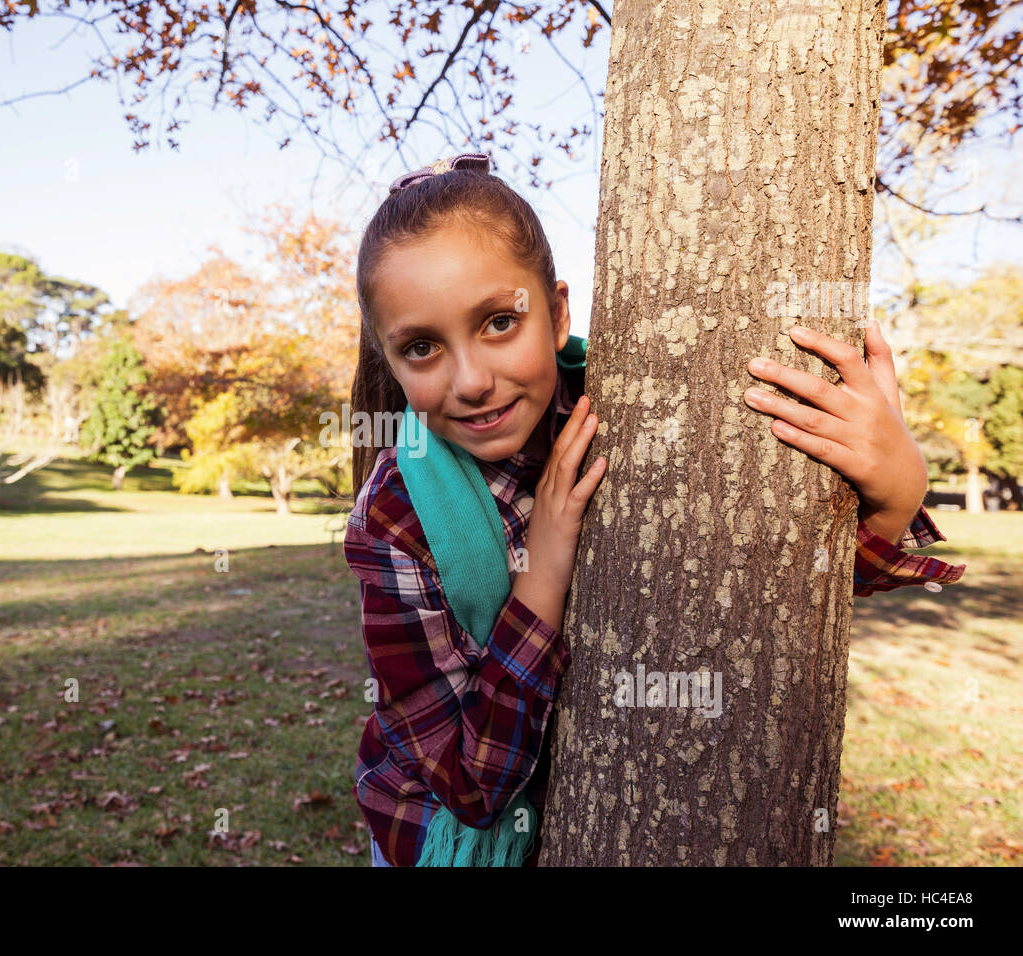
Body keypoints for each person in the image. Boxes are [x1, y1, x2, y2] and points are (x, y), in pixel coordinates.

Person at [345, 152, 967, 867]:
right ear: (391, 364)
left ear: (556, 314)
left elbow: (773, 582)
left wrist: (897, 490)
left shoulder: (635, 397)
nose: (472, 381)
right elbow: (467, 785)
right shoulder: (396, 514)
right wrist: (543, 574)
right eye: (421, 347)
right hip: (437, 840)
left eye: (496, 323)